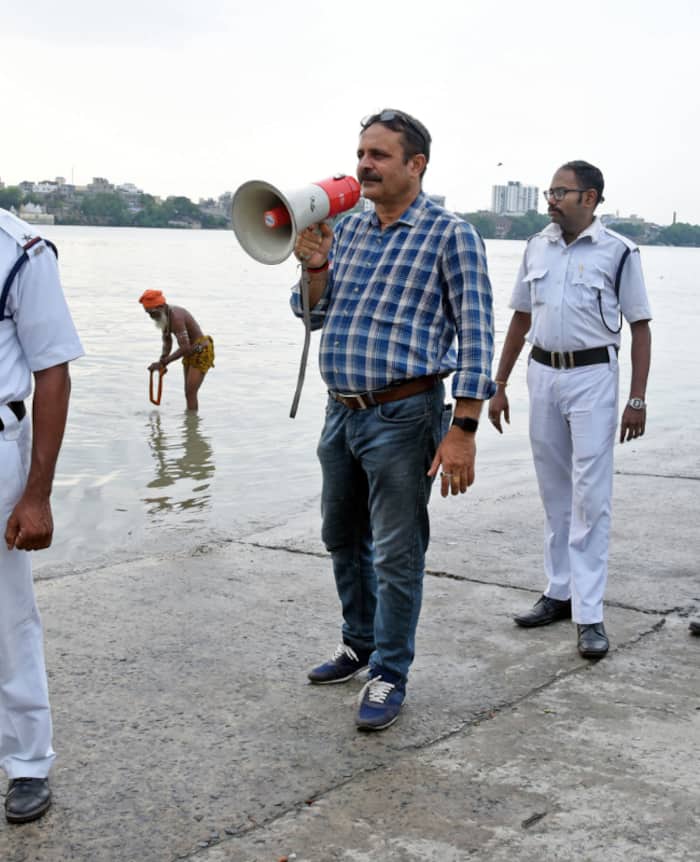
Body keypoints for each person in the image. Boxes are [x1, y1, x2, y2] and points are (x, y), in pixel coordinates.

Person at [290, 109, 495, 731]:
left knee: (396, 551)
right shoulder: (345, 227)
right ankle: (359, 644)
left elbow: (478, 335)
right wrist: (316, 265)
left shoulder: (449, 234)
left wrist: (463, 430)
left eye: (379, 155)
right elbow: (309, 315)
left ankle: (390, 672)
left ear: (416, 164)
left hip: (405, 416)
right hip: (340, 412)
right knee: (339, 535)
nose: (364, 165)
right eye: (361, 153)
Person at [488, 160, 652, 659]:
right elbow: (521, 316)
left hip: (592, 378)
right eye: (549, 191)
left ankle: (590, 613)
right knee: (554, 490)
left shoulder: (619, 252)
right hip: (544, 374)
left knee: (591, 497)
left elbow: (640, 326)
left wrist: (637, 399)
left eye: (562, 191)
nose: (552, 200)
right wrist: (498, 383)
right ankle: (558, 591)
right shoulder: (537, 246)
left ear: (591, 198)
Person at [0, 209, 83, 823]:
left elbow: (53, 371)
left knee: (7, 619)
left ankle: (28, 763)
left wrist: (37, 494)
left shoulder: (22, 251)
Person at [138, 290, 214, 412]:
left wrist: (164, 363)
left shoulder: (176, 318)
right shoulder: (165, 315)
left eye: (153, 313)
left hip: (201, 351)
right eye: (148, 314)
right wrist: (161, 361)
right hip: (190, 353)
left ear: (161, 306)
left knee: (190, 393)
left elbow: (185, 347)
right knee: (188, 392)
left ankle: (192, 426)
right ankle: (190, 427)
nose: (151, 317)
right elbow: (167, 341)